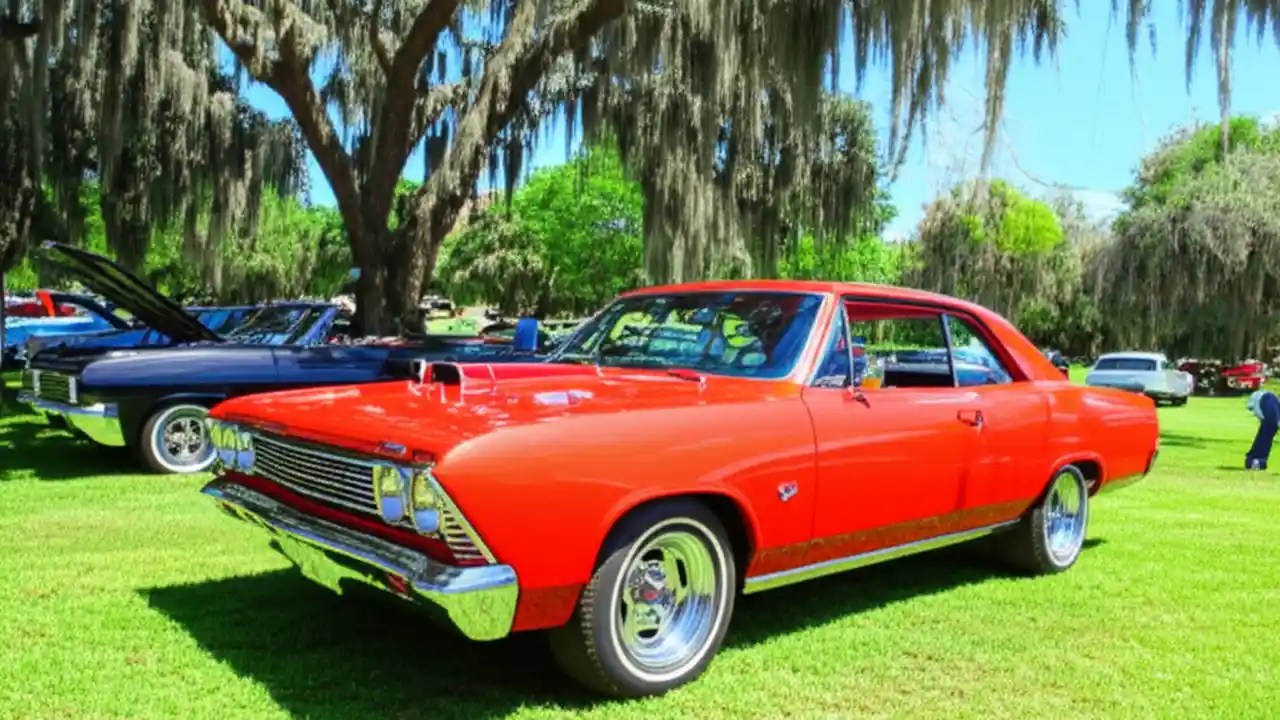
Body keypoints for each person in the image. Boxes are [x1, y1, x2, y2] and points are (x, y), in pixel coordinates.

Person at [1245, 389, 1279, 470]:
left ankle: (1256, 460)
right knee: (1271, 426)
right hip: (1265, 398)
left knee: (1269, 428)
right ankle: (1256, 459)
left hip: (1265, 398)